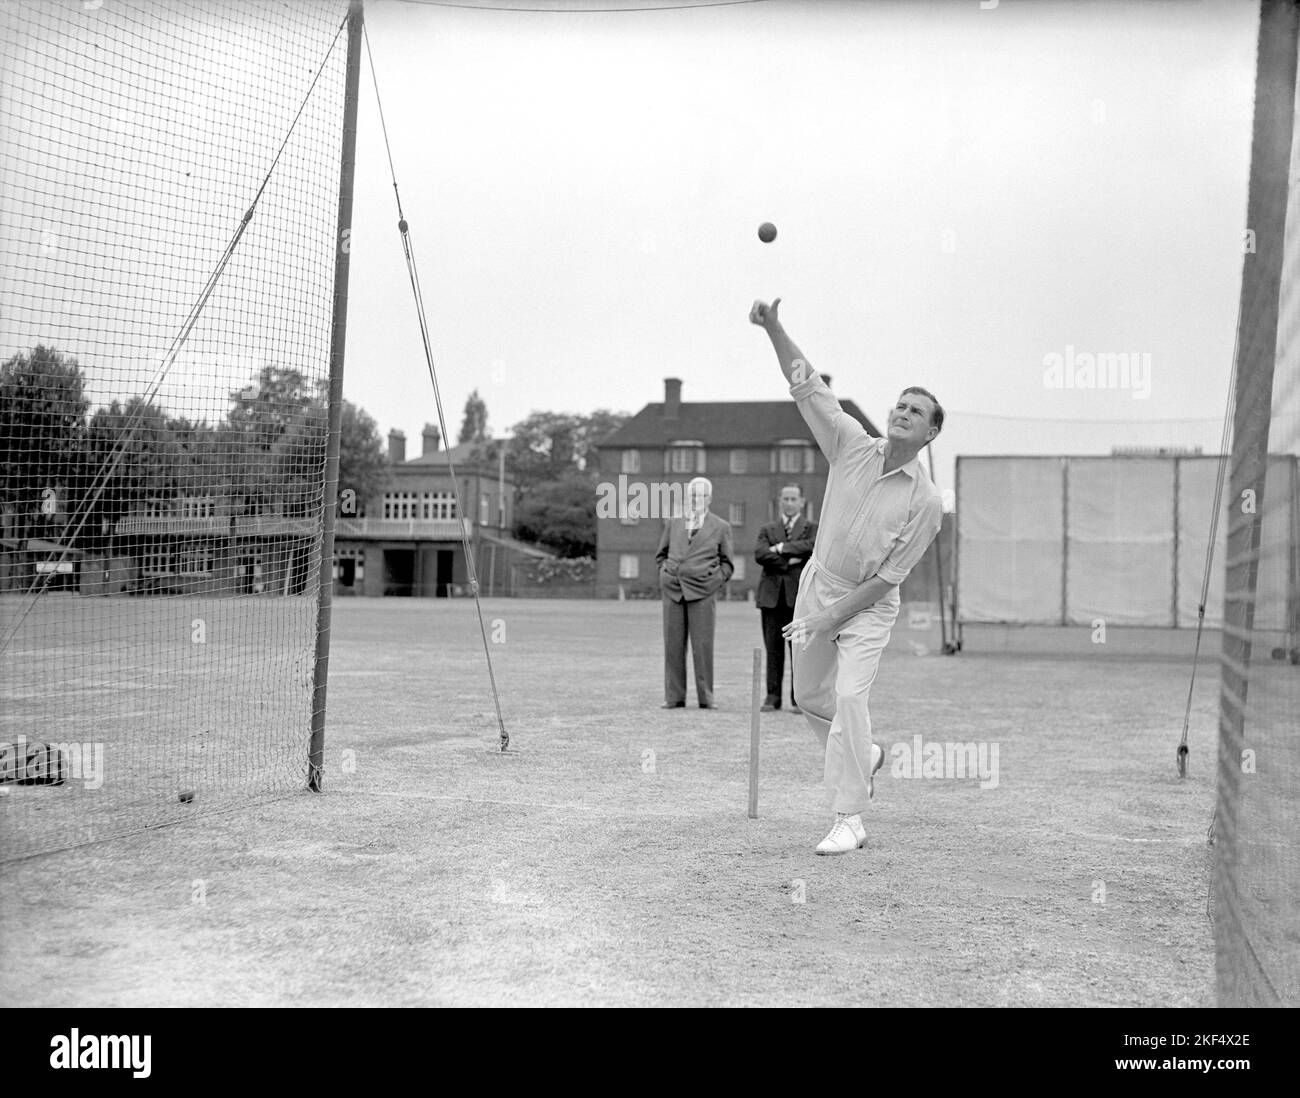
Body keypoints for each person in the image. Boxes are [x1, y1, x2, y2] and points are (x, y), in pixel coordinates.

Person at [750, 297, 944, 856]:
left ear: (930, 434)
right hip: (819, 583)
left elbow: (888, 579)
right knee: (810, 698)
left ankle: (849, 818)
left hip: (869, 607)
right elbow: (807, 386)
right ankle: (868, 755)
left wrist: (830, 617)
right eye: (901, 405)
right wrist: (774, 327)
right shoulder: (850, 444)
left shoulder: (926, 501)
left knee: (850, 699)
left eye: (917, 412)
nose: (903, 412)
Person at [655, 476, 734, 709]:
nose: (696, 499)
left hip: (703, 592)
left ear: (709, 498)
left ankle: (706, 698)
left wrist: (714, 582)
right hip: (673, 592)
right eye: (692, 495)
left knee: (702, 645)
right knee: (672, 645)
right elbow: (661, 554)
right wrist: (664, 574)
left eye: (701, 495)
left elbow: (727, 563)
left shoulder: (721, 527)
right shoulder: (673, 523)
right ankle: (674, 697)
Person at [754, 485, 817, 712]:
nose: (789, 503)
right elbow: (760, 553)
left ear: (802, 502)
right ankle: (772, 697)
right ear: (780, 501)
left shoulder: (812, 529)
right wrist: (789, 561)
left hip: (798, 599)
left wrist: (781, 547)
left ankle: (797, 698)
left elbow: (813, 547)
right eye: (786, 498)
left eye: (794, 499)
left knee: (798, 651)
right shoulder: (767, 528)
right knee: (773, 648)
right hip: (771, 598)